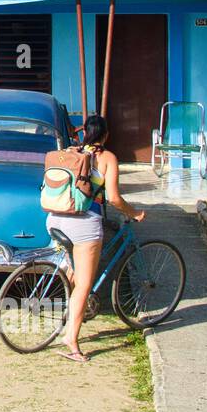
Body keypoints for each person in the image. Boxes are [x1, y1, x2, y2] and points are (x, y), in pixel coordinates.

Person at [46, 114, 145, 363]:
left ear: (83, 133)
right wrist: (134, 213)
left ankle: (66, 312)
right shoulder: (107, 158)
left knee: (75, 269)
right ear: (105, 135)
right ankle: (71, 341)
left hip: (55, 217)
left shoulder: (71, 151)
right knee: (84, 285)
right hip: (83, 224)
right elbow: (113, 198)